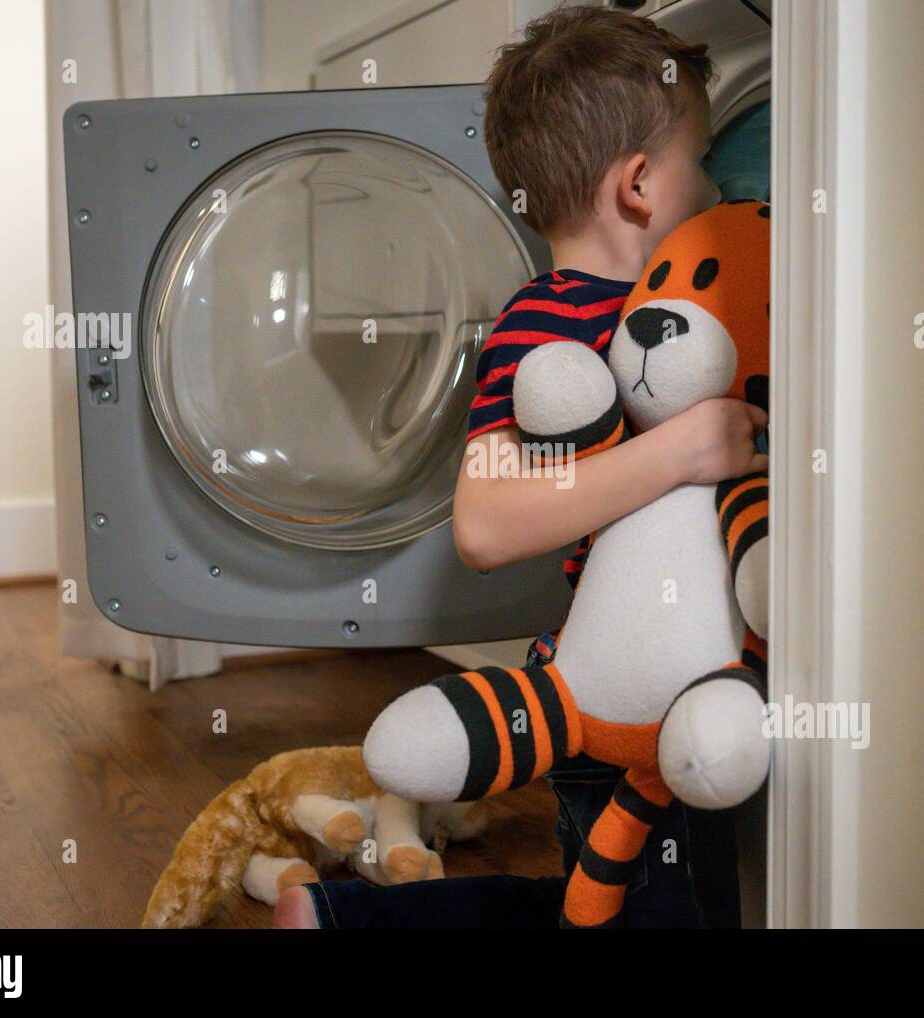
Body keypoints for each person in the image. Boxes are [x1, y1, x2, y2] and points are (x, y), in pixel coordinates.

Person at [276, 5, 767, 930]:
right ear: (639, 186)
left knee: (609, 911)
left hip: (676, 685)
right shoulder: (540, 326)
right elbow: (487, 526)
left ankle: (344, 921)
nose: (713, 183)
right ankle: (354, 920)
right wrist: (677, 451)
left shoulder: (686, 299)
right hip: (609, 699)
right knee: (651, 917)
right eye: (701, 159)